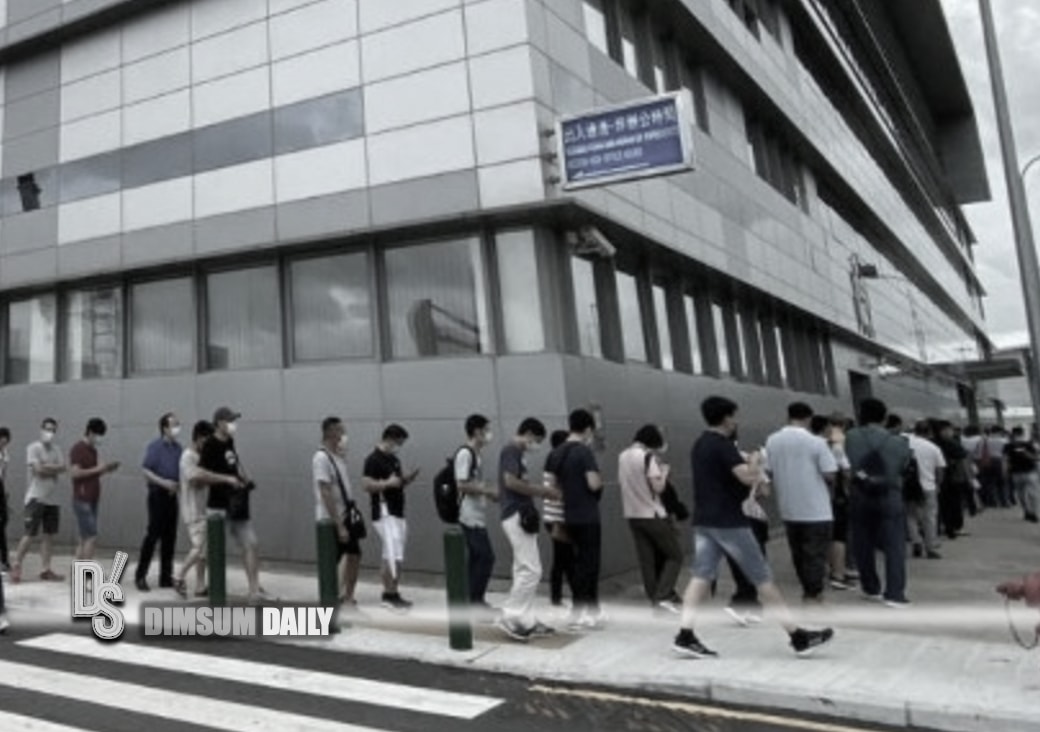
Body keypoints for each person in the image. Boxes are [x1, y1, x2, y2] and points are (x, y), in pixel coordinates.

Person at [672, 396, 834, 658]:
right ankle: (797, 636)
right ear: (726, 418)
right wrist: (756, 460)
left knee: (701, 576)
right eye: (734, 416)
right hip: (730, 522)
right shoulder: (723, 445)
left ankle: (685, 634)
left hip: (705, 521)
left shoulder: (700, 444)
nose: (736, 421)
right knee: (762, 577)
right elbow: (746, 477)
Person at [764, 403, 837, 603]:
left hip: (788, 508)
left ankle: (809, 590)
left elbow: (768, 470)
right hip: (816, 509)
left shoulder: (772, 440)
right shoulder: (817, 442)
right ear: (809, 418)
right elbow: (829, 474)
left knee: (799, 555)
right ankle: (813, 596)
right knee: (815, 555)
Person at [845, 398, 912, 608]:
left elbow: (847, 462)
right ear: (884, 417)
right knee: (894, 545)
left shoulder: (851, 437)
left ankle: (870, 587)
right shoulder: (899, 441)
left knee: (862, 542)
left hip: (860, 493)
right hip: (889, 494)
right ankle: (894, 594)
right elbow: (904, 466)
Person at [496, 418, 559, 640]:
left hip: (520, 514)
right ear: (529, 434)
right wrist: (542, 491)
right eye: (537, 441)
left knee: (523, 569)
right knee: (531, 570)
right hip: (516, 514)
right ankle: (511, 615)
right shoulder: (511, 451)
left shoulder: (515, 453)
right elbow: (510, 482)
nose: (537, 446)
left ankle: (526, 619)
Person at [200, 407, 268, 604]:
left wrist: (243, 479)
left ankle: (254, 589)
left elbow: (234, 465)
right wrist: (227, 479)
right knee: (212, 549)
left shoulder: (230, 441)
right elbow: (203, 475)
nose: (233, 424)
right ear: (219, 422)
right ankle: (209, 588)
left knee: (251, 543)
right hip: (218, 504)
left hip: (237, 503)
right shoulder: (210, 445)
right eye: (230, 420)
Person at [545, 409, 605, 630]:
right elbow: (593, 484)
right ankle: (584, 611)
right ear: (588, 429)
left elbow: (550, 487)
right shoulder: (583, 452)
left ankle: (584, 609)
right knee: (589, 564)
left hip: (566, 515)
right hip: (587, 515)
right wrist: (599, 480)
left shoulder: (555, 453)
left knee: (575, 563)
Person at [619, 424, 684, 614]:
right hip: (652, 513)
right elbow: (658, 488)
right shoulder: (648, 457)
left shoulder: (623, 456)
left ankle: (654, 596)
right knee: (675, 555)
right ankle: (663, 596)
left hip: (632, 514)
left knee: (646, 559)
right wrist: (664, 473)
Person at [172, 420, 239, 598]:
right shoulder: (188, 456)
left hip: (203, 507)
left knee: (203, 552)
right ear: (199, 438)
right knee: (199, 547)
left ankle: (200, 586)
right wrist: (219, 478)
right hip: (193, 509)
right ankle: (179, 575)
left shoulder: (201, 456)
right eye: (207, 441)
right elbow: (194, 479)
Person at [363, 424, 420, 612]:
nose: (399, 447)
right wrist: (387, 483)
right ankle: (388, 594)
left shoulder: (393, 459)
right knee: (392, 554)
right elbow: (367, 484)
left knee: (393, 554)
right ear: (389, 439)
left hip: (396, 510)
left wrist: (406, 479)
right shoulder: (373, 460)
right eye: (398, 442)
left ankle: (393, 592)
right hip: (384, 511)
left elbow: (398, 483)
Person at [313, 416, 363, 608]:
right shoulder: (321, 458)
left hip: (345, 515)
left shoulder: (337, 457)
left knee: (354, 554)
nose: (344, 435)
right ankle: (328, 602)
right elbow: (325, 491)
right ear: (331, 433)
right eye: (341, 431)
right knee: (330, 560)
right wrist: (339, 524)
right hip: (331, 519)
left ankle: (346, 596)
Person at [10, 419, 67, 583]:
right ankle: (17, 564)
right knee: (30, 534)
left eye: (53, 430)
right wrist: (52, 468)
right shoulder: (33, 448)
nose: (49, 433)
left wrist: (47, 467)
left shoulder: (56, 449)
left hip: (53, 499)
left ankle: (46, 569)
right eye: (47, 429)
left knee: (49, 535)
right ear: (41, 430)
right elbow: (38, 471)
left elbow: (63, 467)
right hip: (36, 497)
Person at [455, 414, 498, 613]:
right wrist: (487, 491)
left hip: (476, 513)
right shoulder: (466, 453)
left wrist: (488, 493)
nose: (489, 434)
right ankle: (475, 601)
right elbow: (462, 484)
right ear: (476, 431)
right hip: (469, 515)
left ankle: (471, 599)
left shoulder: (476, 454)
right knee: (485, 557)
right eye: (486, 430)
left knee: (477, 557)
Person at [135, 413, 183, 591]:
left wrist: (176, 485)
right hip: (157, 496)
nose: (177, 428)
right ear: (164, 428)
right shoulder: (155, 447)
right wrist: (164, 482)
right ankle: (141, 575)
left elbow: (181, 471)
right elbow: (146, 470)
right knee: (153, 536)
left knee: (170, 537)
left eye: (178, 424)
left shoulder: (178, 449)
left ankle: (165, 576)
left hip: (172, 496)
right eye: (174, 424)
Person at [69, 418, 121, 562]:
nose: (99, 439)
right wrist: (98, 468)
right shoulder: (78, 449)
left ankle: (79, 569)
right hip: (82, 498)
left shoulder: (93, 451)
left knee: (84, 537)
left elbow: (93, 472)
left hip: (92, 498)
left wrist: (106, 469)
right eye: (98, 435)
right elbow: (75, 473)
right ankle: (86, 570)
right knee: (91, 536)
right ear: (90, 432)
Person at [815, 415, 852, 590]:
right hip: (834, 497)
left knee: (820, 536)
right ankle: (838, 574)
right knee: (838, 536)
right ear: (825, 428)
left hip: (813, 498)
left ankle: (822, 571)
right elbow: (844, 471)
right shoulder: (832, 446)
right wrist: (846, 490)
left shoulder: (806, 445)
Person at [906, 421, 946, 560]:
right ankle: (930, 547)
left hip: (909, 487)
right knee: (929, 518)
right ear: (929, 432)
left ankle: (916, 541)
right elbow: (940, 469)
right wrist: (938, 484)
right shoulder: (934, 448)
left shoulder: (907, 443)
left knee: (910, 515)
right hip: (928, 486)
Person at [543, 430, 574, 608]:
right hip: (557, 517)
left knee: (563, 558)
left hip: (551, 516)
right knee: (564, 558)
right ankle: (559, 596)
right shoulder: (558, 461)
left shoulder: (551, 459)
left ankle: (558, 596)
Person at [933, 421, 969, 539]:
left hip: (936, 478)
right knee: (953, 504)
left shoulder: (932, 442)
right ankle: (952, 527)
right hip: (951, 478)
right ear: (943, 430)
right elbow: (963, 455)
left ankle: (939, 528)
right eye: (949, 430)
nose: (951, 432)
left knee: (940, 505)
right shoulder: (951, 443)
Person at [1004, 426, 1039, 523]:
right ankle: (1032, 512)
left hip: (1016, 473)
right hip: (1029, 472)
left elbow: (1005, 461)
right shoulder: (1029, 444)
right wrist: (1026, 453)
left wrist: (1005, 472)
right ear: (1023, 433)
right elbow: (1035, 458)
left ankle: (1027, 511)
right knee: (1032, 494)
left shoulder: (1008, 446)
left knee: (1021, 494)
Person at [0, 427, 10, 572]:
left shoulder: (5, 453)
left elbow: (3, 472)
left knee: (4, 520)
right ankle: (4, 559)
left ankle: (4, 559)